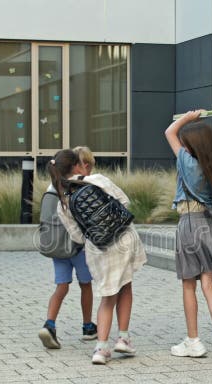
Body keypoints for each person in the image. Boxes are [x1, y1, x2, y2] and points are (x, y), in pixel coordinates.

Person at [48, 149, 147, 365]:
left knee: (107, 296)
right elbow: (125, 202)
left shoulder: (62, 203)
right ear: (77, 165)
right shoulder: (96, 180)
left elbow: (77, 236)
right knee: (126, 285)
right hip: (123, 239)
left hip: (99, 248)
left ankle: (101, 348)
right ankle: (123, 337)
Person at [164, 109, 212, 361]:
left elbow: (169, 132)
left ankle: (194, 341)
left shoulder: (187, 162)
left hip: (188, 224)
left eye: (187, 145)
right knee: (209, 285)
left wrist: (188, 117)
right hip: (208, 226)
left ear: (192, 146)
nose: (183, 147)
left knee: (189, 285)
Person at [38, 148, 98, 350]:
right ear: (74, 166)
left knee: (61, 287)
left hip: (57, 247)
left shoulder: (51, 188)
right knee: (85, 284)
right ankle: (88, 326)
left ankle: (50, 324)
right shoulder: (76, 187)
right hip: (78, 247)